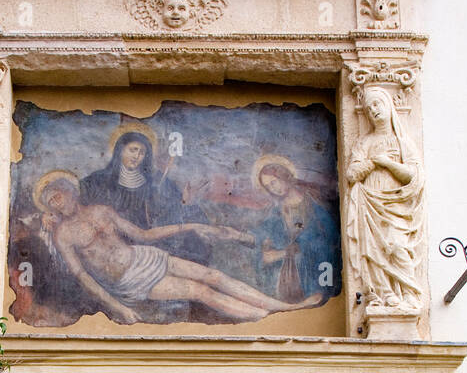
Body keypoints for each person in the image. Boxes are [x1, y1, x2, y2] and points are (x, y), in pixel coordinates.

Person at [38, 174, 322, 325]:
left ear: (70, 191)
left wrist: (188, 226)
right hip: (129, 280)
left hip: (145, 257)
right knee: (201, 292)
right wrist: (118, 307)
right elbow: (83, 277)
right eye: (50, 201)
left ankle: (284, 307)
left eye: (57, 195)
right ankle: (263, 318)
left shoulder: (102, 211)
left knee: (213, 275)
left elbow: (143, 234)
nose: (56, 203)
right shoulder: (64, 234)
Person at [80, 129, 210, 263]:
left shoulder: (156, 181)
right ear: (120, 150)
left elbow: (170, 211)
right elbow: (79, 201)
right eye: (133, 150)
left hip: (148, 237)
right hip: (113, 238)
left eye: (141, 152)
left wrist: (185, 201)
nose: (136, 156)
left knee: (194, 246)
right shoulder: (98, 180)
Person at [345, 86, 424, 310]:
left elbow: (412, 175)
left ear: (389, 106)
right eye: (369, 109)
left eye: (377, 104)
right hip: (370, 202)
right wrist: (374, 162)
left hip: (396, 203)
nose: (374, 111)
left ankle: (409, 293)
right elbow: (352, 174)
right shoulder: (365, 142)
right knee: (374, 250)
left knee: (398, 245)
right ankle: (385, 294)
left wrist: (388, 163)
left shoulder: (402, 142)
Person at [252, 155, 341, 303]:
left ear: (285, 176)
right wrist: (265, 246)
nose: (273, 189)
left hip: (315, 274)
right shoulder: (275, 212)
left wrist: (284, 253)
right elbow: (264, 235)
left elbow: (327, 241)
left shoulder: (313, 204)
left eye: (274, 182)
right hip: (288, 278)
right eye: (268, 187)